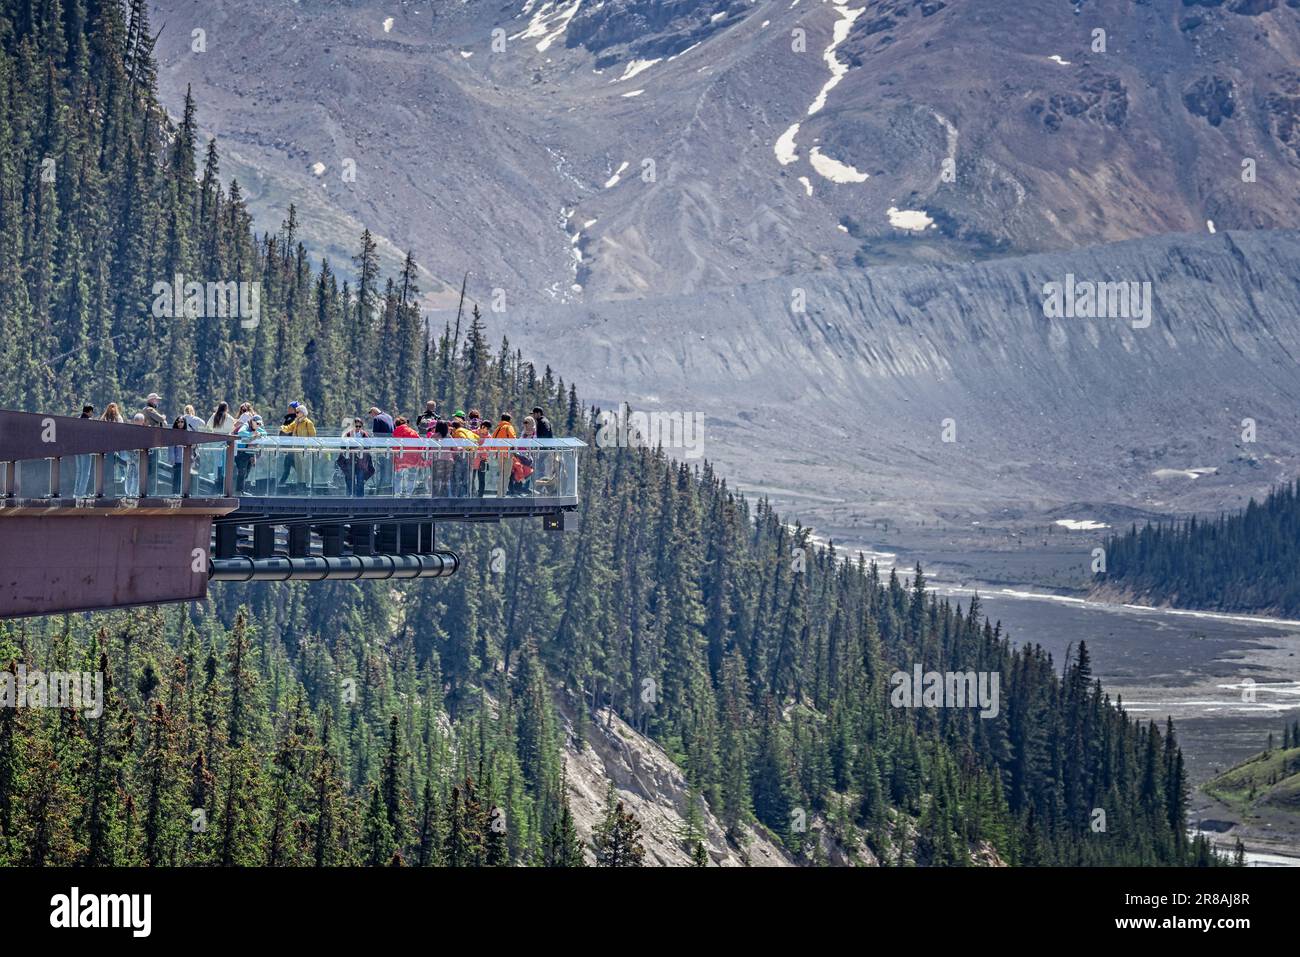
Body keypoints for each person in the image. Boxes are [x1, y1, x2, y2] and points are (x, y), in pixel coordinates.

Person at [278, 402, 317, 488]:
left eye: (298, 412)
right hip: (296, 449)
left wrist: (310, 446)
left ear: (303, 412)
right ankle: (300, 484)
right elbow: (289, 428)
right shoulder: (296, 422)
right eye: (296, 412)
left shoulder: (308, 423)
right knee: (299, 468)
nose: (296, 414)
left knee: (306, 468)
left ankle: (307, 485)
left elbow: (313, 436)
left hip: (306, 450)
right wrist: (282, 428)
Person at [234, 414, 268, 494]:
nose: (259, 425)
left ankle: (241, 490)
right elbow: (241, 432)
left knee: (247, 472)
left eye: (260, 424)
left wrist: (260, 434)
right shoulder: (246, 425)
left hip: (250, 453)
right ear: (252, 422)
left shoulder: (257, 427)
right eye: (257, 423)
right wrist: (252, 434)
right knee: (242, 472)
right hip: (241, 452)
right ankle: (238, 491)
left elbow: (265, 433)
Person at [338, 418, 372, 497]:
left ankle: (360, 497)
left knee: (360, 479)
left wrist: (361, 446)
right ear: (353, 426)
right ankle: (350, 495)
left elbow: (369, 445)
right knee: (349, 478)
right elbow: (342, 446)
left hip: (361, 461)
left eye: (359, 426)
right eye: (356, 426)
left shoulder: (364, 434)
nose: (358, 428)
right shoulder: (348, 434)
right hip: (350, 459)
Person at [392, 416, 423, 496]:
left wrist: (395, 454)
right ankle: (409, 493)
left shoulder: (396, 431)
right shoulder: (412, 431)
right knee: (411, 475)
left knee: (398, 476)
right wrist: (419, 454)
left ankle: (398, 493)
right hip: (413, 457)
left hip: (401, 457)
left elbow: (395, 445)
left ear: (396, 424)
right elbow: (421, 443)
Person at [449, 414, 478, 496]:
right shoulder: (467, 431)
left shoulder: (458, 432)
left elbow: (462, 440)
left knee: (458, 475)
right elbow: (477, 438)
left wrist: (463, 448)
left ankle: (458, 495)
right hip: (470, 454)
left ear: (454, 428)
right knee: (466, 475)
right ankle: (467, 494)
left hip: (462, 455)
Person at [206, 402, 233, 492]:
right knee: (225, 462)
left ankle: (216, 478)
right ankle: (224, 478)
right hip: (225, 440)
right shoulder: (228, 417)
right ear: (226, 408)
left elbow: (208, 427)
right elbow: (232, 427)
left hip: (215, 440)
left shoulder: (214, 416)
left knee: (216, 462)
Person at [368, 406, 394, 492]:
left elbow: (375, 433)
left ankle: (381, 488)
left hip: (381, 447)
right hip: (390, 446)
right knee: (388, 468)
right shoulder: (389, 417)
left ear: (373, 412)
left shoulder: (377, 418)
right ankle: (388, 486)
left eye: (371, 415)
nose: (372, 417)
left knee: (381, 467)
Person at [101, 403, 124, 495]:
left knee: (113, 467)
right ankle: (109, 490)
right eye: (111, 408)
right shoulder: (106, 418)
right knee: (110, 469)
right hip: (109, 447)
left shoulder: (114, 418)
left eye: (113, 408)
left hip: (112, 446)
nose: (112, 409)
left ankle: (112, 488)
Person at [512, 416, 538, 495]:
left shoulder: (534, 433)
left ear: (531, 423)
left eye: (527, 423)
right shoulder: (524, 432)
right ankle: (519, 487)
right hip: (520, 453)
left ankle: (525, 488)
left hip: (528, 454)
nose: (525, 425)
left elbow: (534, 443)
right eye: (524, 423)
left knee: (528, 471)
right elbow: (520, 441)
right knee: (521, 470)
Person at [74, 405, 95, 496]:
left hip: (76, 448)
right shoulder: (89, 422)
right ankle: (81, 493)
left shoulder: (77, 420)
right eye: (92, 412)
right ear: (89, 411)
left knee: (79, 471)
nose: (92, 414)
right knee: (85, 472)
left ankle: (76, 493)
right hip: (85, 449)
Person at [429, 419, 452, 496]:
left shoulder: (434, 436)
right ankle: (444, 496)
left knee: (435, 479)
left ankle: (435, 496)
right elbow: (455, 448)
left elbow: (429, 447)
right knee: (445, 480)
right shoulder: (448, 437)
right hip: (448, 461)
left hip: (437, 460)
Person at [126, 412, 147, 494]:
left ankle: (132, 493)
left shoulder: (130, 430)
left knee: (134, 475)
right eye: (137, 420)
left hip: (137, 457)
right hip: (132, 457)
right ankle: (130, 493)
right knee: (132, 475)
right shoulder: (133, 431)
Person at [169, 415, 189, 494]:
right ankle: (175, 494)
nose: (180, 424)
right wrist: (172, 459)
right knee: (176, 479)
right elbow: (171, 446)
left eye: (182, 422)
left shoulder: (186, 433)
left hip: (186, 460)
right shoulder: (173, 433)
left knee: (184, 479)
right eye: (178, 422)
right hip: (177, 460)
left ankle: (183, 494)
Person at [473, 417, 491, 496]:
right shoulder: (473, 433)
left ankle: (480, 495)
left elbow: (487, 448)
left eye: (488, 429)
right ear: (482, 426)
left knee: (481, 479)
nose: (487, 431)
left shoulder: (489, 437)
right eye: (486, 428)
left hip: (482, 460)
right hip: (473, 459)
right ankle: (472, 493)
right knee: (471, 478)